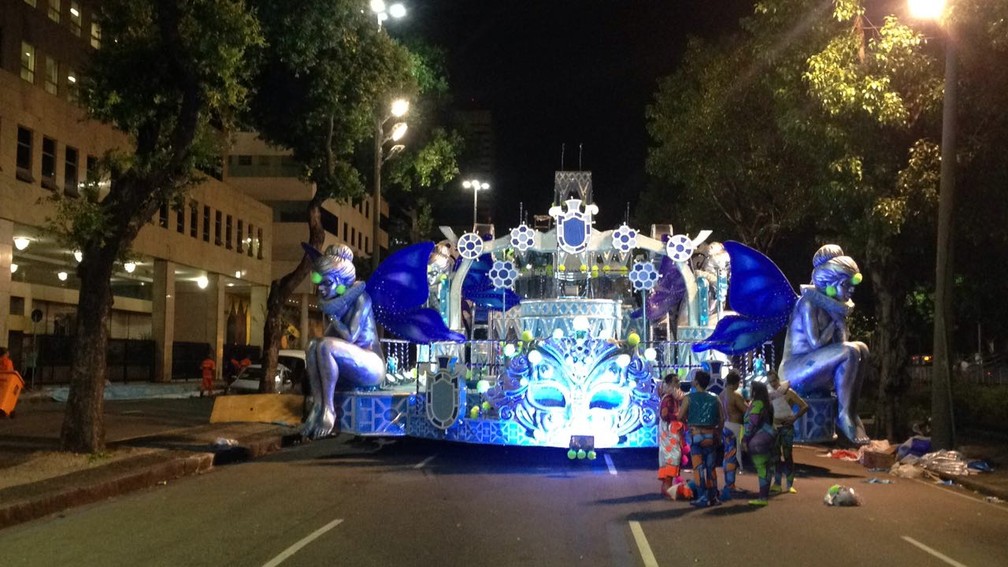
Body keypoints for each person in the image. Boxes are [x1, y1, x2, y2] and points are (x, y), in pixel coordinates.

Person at [778, 244, 870, 445]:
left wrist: (840, 324)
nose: (851, 289)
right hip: (794, 370)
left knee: (861, 348)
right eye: (846, 284)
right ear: (830, 284)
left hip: (813, 366)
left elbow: (842, 346)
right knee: (852, 351)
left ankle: (850, 412)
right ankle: (843, 415)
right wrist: (836, 322)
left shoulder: (832, 305)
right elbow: (818, 343)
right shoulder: (808, 303)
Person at [302, 244, 385, 439]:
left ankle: (328, 410)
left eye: (326, 282)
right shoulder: (338, 302)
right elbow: (328, 339)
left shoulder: (361, 299)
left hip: (372, 362)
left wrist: (333, 317)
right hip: (353, 358)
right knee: (312, 345)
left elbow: (350, 336)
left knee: (324, 345)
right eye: (317, 280)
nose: (320, 288)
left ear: (341, 283)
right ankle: (317, 404)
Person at [678, 369, 725, 507]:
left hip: (696, 434)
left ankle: (702, 496)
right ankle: (713, 496)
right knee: (711, 467)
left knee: (698, 467)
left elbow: (680, 416)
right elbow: (721, 418)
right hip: (711, 434)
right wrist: (718, 432)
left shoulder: (688, 398)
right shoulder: (715, 397)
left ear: (696, 382)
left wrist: (688, 421)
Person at [768, 371, 809, 494]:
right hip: (775, 428)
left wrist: (795, 417)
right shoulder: (771, 395)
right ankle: (777, 483)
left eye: (774, 381)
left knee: (787, 455)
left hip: (786, 428)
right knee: (775, 456)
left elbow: (804, 406)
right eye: (770, 382)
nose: (773, 384)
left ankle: (789, 484)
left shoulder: (789, 393)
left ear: (778, 379)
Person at [743, 381, 777, 507]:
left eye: (751, 389)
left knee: (761, 467)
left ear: (755, 391)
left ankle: (762, 497)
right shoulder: (768, 404)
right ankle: (764, 495)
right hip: (769, 436)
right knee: (766, 467)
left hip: (758, 440)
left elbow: (752, 423)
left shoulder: (757, 404)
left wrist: (745, 439)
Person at [658, 373, 688, 499]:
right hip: (670, 431)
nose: (679, 383)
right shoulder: (669, 398)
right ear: (669, 384)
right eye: (676, 381)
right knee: (672, 457)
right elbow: (665, 415)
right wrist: (679, 417)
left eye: (678, 381)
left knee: (672, 457)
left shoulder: (673, 397)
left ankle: (667, 486)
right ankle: (667, 487)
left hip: (672, 430)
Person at [720, 369, 748, 500]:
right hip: (735, 427)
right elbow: (746, 411)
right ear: (736, 382)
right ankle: (730, 485)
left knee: (727, 454)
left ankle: (729, 483)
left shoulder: (721, 394)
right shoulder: (736, 396)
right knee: (732, 456)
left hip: (725, 426)